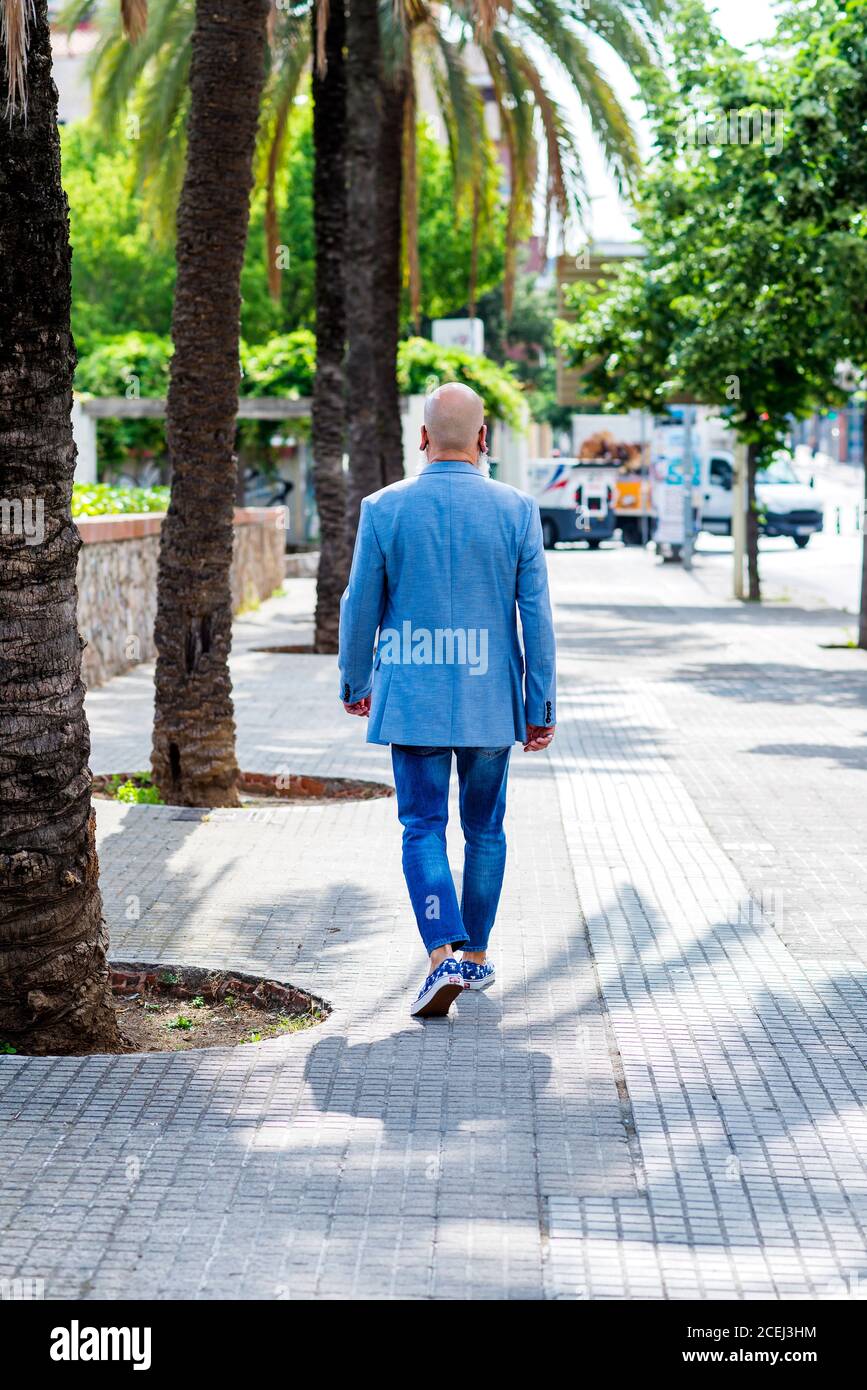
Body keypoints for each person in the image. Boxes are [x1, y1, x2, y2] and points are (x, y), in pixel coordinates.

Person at [338, 383, 557, 1018]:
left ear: (423, 439)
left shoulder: (384, 509)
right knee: (485, 828)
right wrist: (539, 705)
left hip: (414, 698)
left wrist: (356, 684)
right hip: (492, 703)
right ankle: (476, 955)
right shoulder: (517, 510)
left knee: (422, 826)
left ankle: (444, 955)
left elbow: (359, 608)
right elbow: (535, 619)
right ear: (484, 440)